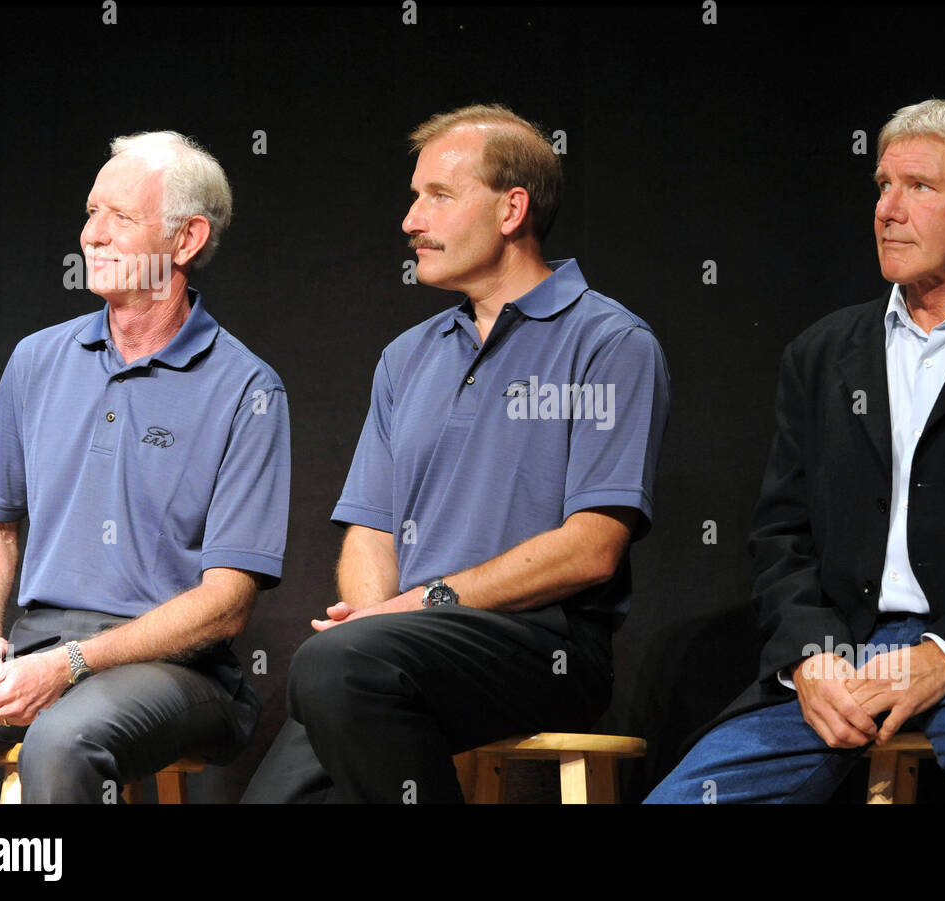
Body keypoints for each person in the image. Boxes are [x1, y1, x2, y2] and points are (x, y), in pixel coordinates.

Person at [645, 99, 945, 804]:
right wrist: (811, 658)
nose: (888, 208)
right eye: (882, 185)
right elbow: (782, 536)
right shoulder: (821, 354)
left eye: (919, 186)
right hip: (842, 660)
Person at [243, 104, 670, 803]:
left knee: (334, 668)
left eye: (437, 196)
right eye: (414, 198)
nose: (411, 220)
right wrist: (379, 615)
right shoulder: (406, 357)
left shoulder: (610, 342)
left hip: (543, 643)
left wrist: (418, 603)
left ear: (511, 210)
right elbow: (371, 528)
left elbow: (592, 548)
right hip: (394, 650)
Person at [0, 131, 291, 803]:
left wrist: (76, 662)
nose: (91, 234)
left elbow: (227, 603)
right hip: (36, 650)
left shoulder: (247, 388)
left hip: (179, 671)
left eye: (120, 217)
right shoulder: (37, 359)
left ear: (185, 240)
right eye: (91, 213)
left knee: (63, 737)